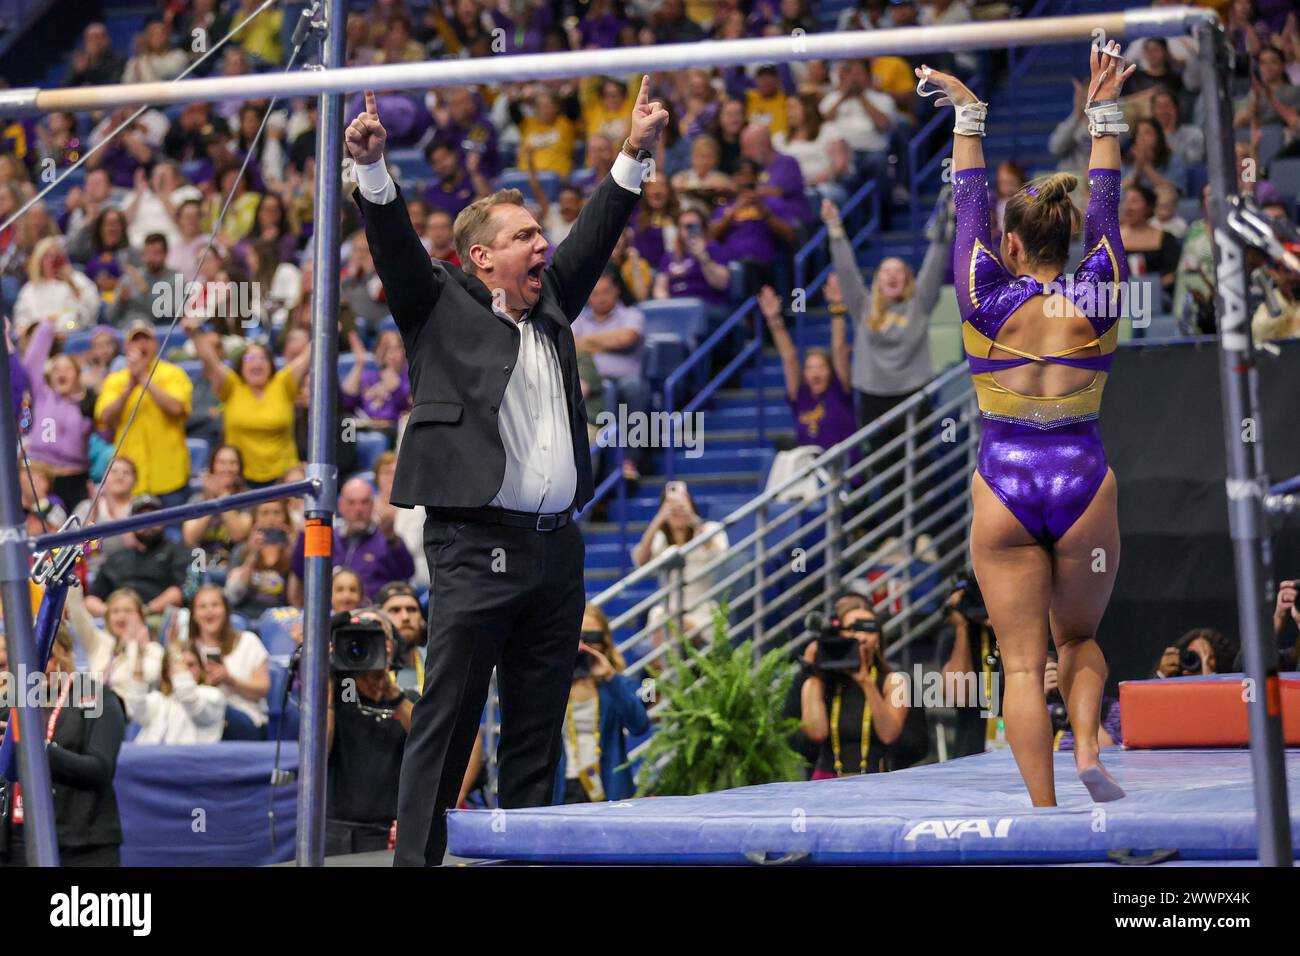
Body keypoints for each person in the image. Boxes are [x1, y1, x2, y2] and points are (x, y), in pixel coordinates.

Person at [345, 78, 668, 866]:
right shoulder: (436, 304)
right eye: (525, 236)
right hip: (473, 546)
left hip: (558, 552)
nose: (543, 245)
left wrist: (633, 151)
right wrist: (374, 172)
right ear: (480, 256)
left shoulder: (553, 302)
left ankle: (523, 861)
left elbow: (595, 232)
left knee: (535, 729)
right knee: (450, 725)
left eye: (540, 234)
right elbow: (393, 244)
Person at [921, 43, 1133, 806]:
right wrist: (1101, 115)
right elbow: (1106, 196)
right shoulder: (1102, 291)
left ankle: (1044, 815)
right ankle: (1087, 752)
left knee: (1019, 666)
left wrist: (967, 115)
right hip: (1082, 482)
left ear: (1010, 248)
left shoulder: (983, 292)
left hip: (1003, 486)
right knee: (1078, 641)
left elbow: (968, 199)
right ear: (1070, 241)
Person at [0, 626, 127, 866]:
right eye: (23, 659)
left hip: (82, 844)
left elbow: (99, 769)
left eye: (43, 657)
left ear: (66, 654)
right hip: (18, 841)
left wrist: (39, 749)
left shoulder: (96, 697)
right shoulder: (9, 704)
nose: (33, 668)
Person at [325, 608, 416, 855]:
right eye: (360, 638)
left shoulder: (406, 699)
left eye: (379, 636)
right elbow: (317, 751)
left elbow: (426, 745)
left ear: (391, 646)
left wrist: (392, 694)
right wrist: (329, 683)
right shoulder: (340, 694)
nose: (369, 645)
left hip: (389, 831)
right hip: (337, 829)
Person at [184, 320, 310, 486]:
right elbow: (211, 361)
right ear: (241, 366)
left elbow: (306, 358)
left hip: (282, 478)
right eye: (250, 358)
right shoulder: (231, 385)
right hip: (241, 480)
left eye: (262, 358)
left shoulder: (283, 383)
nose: (257, 363)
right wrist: (195, 334)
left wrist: (326, 329)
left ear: (271, 365)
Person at [797, 603, 909, 777]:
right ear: (839, 635)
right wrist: (814, 672)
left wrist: (866, 682)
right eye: (853, 629)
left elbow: (889, 735)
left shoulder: (894, 682)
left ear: (878, 639)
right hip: (827, 782)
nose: (861, 637)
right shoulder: (819, 682)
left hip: (876, 781)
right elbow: (815, 733)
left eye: (869, 630)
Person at [553, 604, 650, 803]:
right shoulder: (552, 684)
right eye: (577, 637)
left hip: (608, 789)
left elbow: (639, 726)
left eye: (592, 638)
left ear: (605, 642)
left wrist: (609, 678)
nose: (583, 645)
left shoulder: (616, 684)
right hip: (563, 789)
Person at [93, 320, 192, 504]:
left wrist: (144, 378)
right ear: (127, 346)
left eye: (146, 339)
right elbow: (104, 417)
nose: (141, 345)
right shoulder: (115, 380)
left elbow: (177, 408)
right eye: (136, 340)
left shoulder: (173, 373)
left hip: (170, 475)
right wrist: (130, 386)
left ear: (155, 344)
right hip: (130, 480)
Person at [631, 481, 729, 659]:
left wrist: (692, 518)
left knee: (672, 630)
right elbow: (641, 561)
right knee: (664, 625)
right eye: (671, 506)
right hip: (667, 612)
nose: (677, 510)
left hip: (702, 611)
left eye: (683, 504)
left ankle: (667, 682)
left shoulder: (709, 529)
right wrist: (658, 519)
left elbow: (716, 552)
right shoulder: (660, 539)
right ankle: (668, 681)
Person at [760, 284, 856, 452]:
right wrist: (774, 320)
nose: (815, 372)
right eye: (810, 368)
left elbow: (839, 348)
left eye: (821, 367)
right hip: (809, 474)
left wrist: (837, 308)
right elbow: (789, 358)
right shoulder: (801, 397)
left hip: (844, 472)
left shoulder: (839, 391)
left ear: (830, 371)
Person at [84, 494, 193, 618]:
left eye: (153, 517)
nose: (148, 523)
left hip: (157, 617)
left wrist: (143, 612)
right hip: (116, 621)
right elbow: (91, 600)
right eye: (141, 518)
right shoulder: (116, 558)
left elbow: (179, 592)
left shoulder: (176, 550)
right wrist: (114, 614)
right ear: (131, 523)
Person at [187, 583, 271, 740]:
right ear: (193, 614)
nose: (209, 611)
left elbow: (262, 689)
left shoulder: (248, 641)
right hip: (198, 719)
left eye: (215, 605)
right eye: (202, 606)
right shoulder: (187, 650)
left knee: (215, 707)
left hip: (244, 717)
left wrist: (230, 679)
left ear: (226, 610)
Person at [119, 640, 227, 744]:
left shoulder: (213, 696)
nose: (185, 670)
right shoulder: (159, 700)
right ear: (167, 672)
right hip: (147, 759)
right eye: (178, 665)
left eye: (191, 665)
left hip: (185, 761)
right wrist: (139, 657)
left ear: (201, 669)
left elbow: (187, 695)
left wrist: (176, 653)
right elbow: (135, 705)